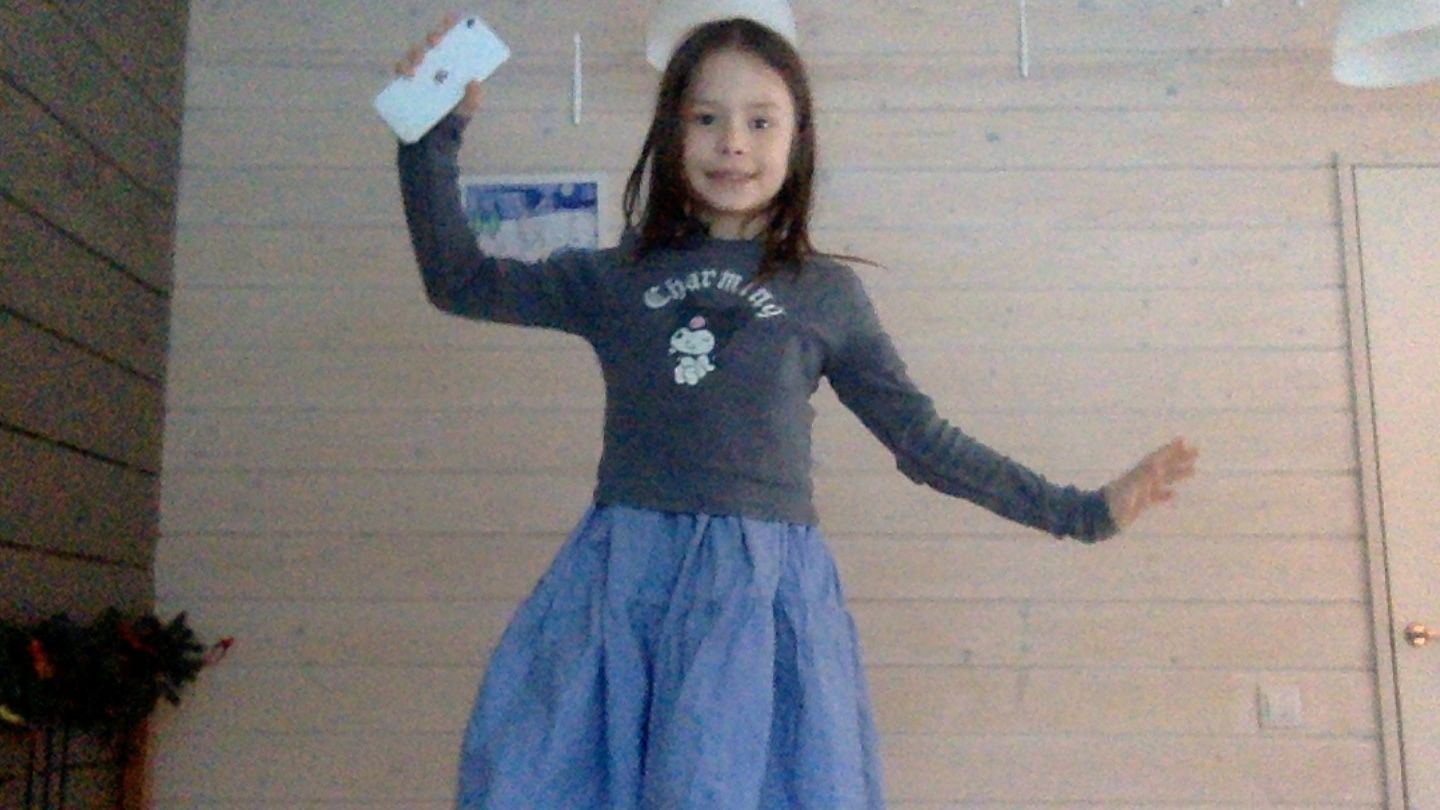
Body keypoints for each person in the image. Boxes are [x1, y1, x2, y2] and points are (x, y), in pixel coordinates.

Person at [394, 13, 1198, 810]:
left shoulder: (825, 293)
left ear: (796, 138)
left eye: (760, 121)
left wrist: (1082, 512)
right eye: (706, 119)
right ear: (672, 132)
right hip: (625, 580)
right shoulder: (617, 277)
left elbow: (922, 440)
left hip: (760, 596)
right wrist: (428, 138)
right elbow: (460, 282)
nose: (732, 143)